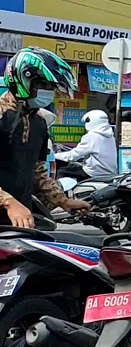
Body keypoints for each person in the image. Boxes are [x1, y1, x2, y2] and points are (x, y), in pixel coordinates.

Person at [0, 47, 92, 228]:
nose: (49, 92)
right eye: (44, 85)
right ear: (23, 81)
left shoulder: (39, 122)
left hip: (19, 220)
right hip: (13, 211)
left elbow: (35, 170)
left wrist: (63, 201)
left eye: (52, 87)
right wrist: (8, 202)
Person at [55, 109, 119, 179]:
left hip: (93, 173)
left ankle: (58, 187)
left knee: (61, 171)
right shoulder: (110, 136)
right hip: (108, 173)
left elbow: (72, 156)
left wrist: (54, 155)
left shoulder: (91, 136)